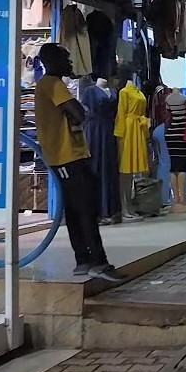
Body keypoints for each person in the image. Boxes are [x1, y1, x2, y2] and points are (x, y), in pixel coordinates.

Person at [35, 44, 127, 282]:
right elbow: (78, 113)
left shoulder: (54, 85)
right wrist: (78, 110)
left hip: (73, 154)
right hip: (65, 156)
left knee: (77, 210)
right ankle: (98, 261)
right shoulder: (53, 85)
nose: (71, 63)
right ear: (53, 61)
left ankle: (83, 260)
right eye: (66, 58)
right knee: (85, 209)